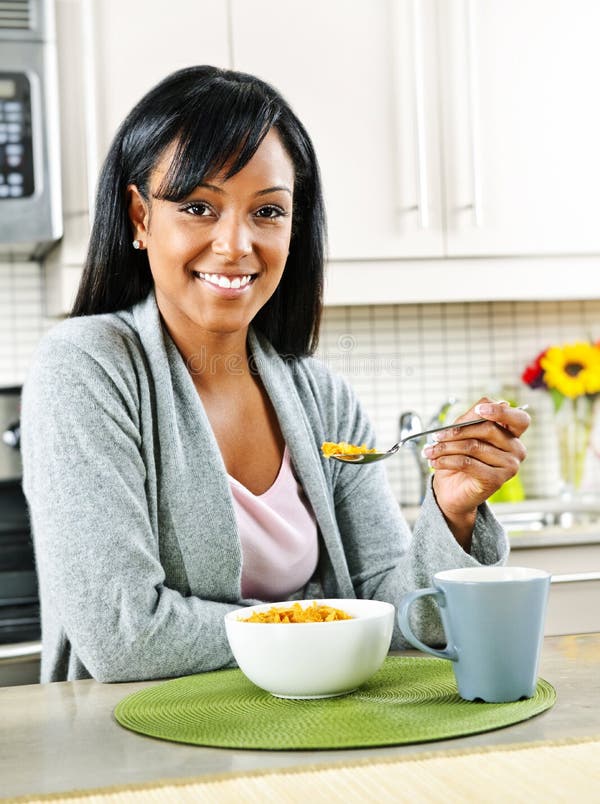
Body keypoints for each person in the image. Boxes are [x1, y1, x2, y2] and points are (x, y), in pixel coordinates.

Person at [20, 66, 530, 683]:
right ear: (140, 217)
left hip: (308, 725)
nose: (235, 244)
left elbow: (403, 620)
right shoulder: (86, 368)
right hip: (134, 733)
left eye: (267, 211)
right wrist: (328, 619)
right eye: (198, 207)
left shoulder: (322, 398)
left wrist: (451, 512)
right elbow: (125, 635)